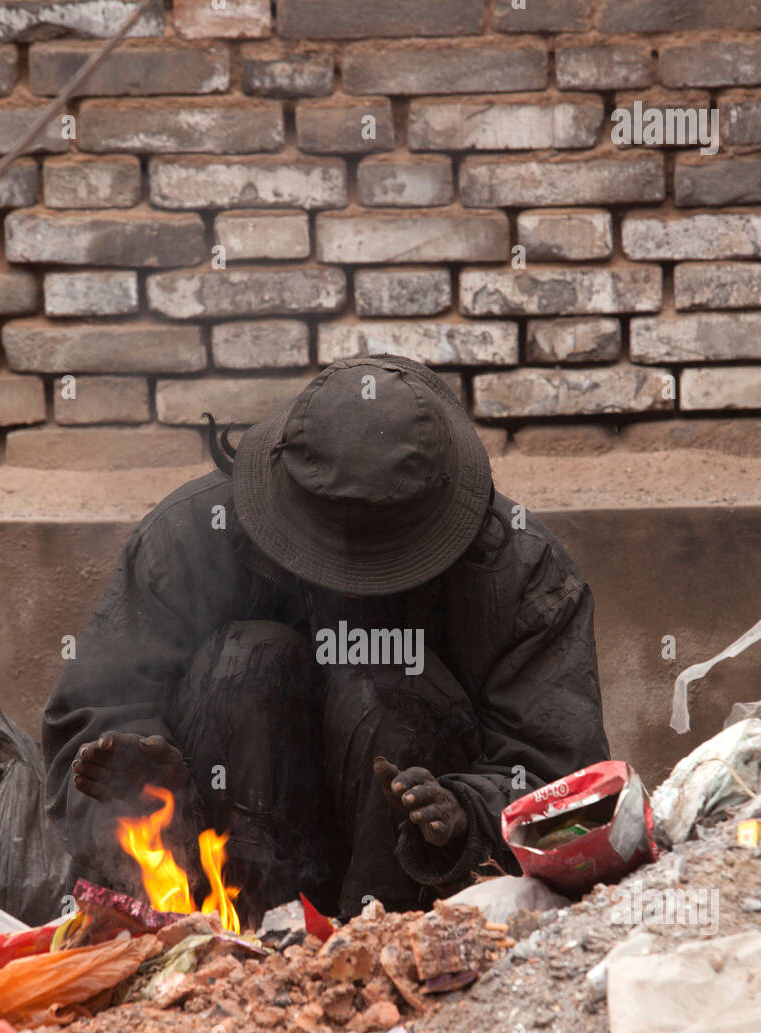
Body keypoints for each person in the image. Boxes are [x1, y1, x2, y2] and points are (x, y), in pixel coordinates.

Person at [42, 355, 609, 926]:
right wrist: (147, 781)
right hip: (223, 884)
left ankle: (362, 941)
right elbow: (92, 719)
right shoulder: (193, 535)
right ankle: (253, 945)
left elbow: (564, 787)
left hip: (412, 902)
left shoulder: (519, 572)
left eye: (382, 565)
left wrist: (464, 813)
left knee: (385, 678)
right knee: (250, 658)